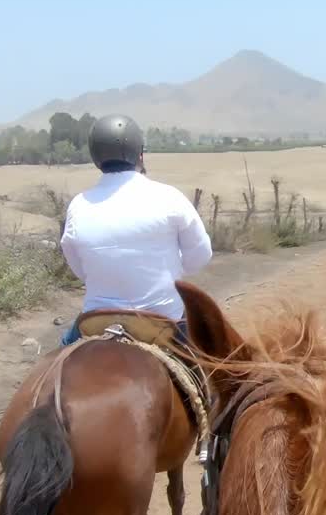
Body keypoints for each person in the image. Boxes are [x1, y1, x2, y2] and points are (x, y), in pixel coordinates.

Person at [57, 114, 213, 348]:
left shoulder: (79, 205)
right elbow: (201, 255)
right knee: (210, 372)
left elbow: (80, 269)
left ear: (95, 157)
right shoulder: (169, 196)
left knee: (55, 365)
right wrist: (172, 268)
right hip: (163, 319)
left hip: (96, 321)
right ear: (139, 153)